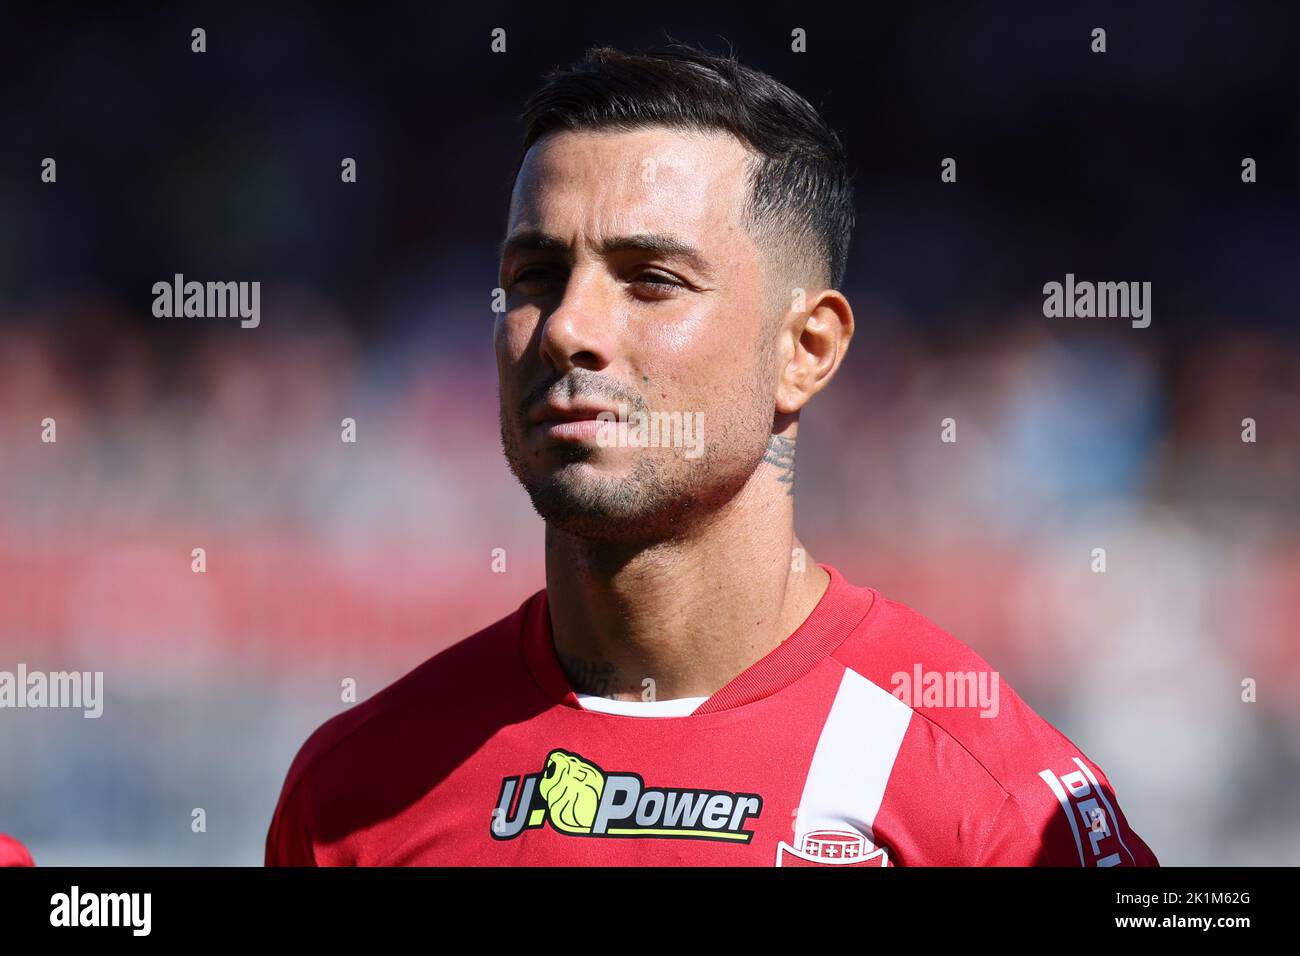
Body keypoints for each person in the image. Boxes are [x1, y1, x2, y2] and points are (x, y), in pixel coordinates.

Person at [266, 43, 1157, 867]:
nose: (568, 329)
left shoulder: (991, 808)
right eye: (534, 278)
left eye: (651, 280)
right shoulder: (355, 790)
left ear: (804, 350)